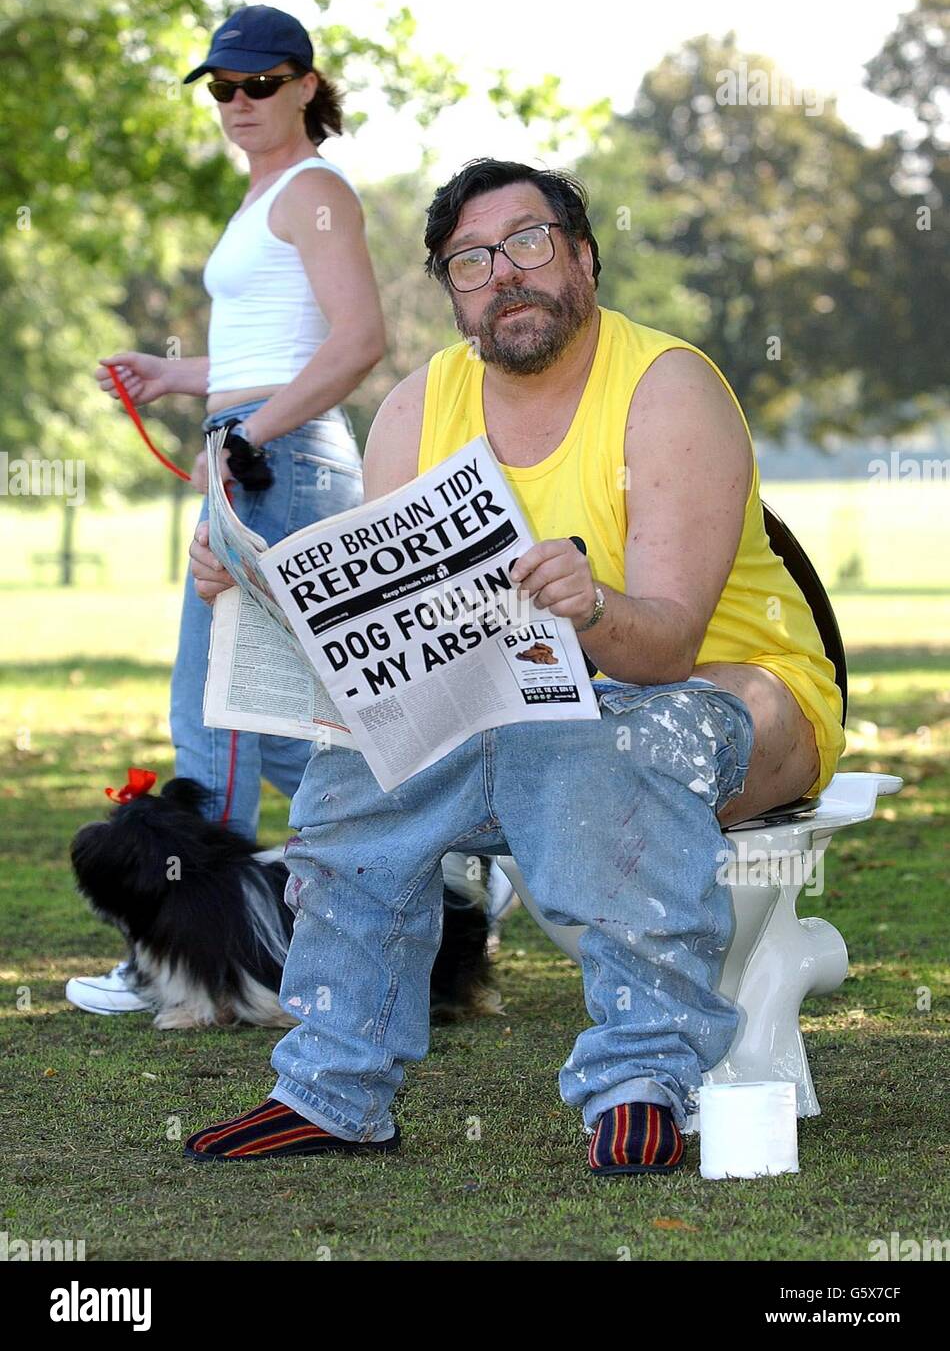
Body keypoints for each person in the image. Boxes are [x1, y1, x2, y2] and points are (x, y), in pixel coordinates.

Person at [182, 158, 845, 1175]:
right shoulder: (415, 404)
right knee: (356, 772)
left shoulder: (668, 385)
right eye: (470, 260)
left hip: (728, 696)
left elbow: (666, 643)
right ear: (451, 293)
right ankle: (328, 1086)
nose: (504, 273)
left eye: (528, 243)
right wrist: (259, 591)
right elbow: (381, 625)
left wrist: (588, 605)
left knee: (603, 739)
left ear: (579, 256)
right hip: (512, 702)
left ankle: (637, 1080)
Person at [67, 5, 383, 1017]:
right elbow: (272, 349)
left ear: (304, 85)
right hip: (257, 449)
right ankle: (446, 867)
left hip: (272, 459)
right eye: (221, 88)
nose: (237, 104)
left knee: (219, 716)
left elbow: (356, 340)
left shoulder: (315, 190)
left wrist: (249, 434)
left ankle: (186, 961)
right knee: (295, 728)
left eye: (259, 84)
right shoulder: (265, 198)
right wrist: (178, 374)